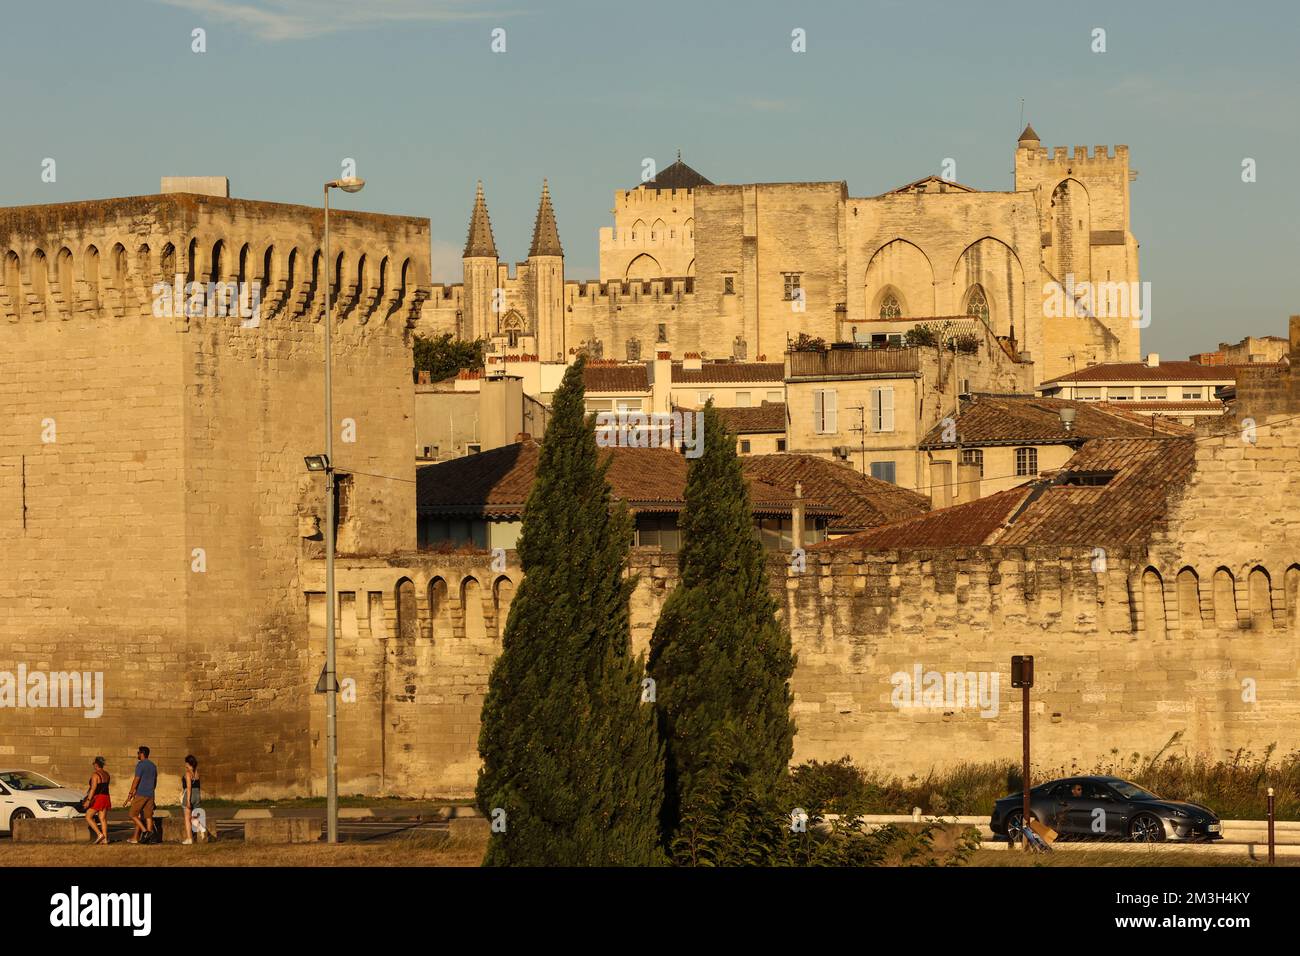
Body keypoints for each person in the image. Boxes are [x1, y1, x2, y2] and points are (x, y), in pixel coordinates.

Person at [126, 745, 159, 844]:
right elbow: (155, 781)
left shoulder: (141, 765)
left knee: (132, 814)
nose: (137, 754)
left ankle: (145, 832)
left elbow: (136, 779)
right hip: (150, 794)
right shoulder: (153, 766)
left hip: (141, 793)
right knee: (148, 816)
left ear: (142, 754)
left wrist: (131, 792)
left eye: (138, 753)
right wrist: (151, 789)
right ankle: (150, 838)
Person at [83, 757, 111, 845]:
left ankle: (99, 834)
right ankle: (105, 839)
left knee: (88, 816)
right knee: (102, 818)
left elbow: (93, 788)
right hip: (106, 797)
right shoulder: (107, 774)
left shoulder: (95, 775)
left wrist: (88, 800)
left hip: (98, 798)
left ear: (96, 764)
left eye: (94, 764)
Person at [181, 755, 203, 845]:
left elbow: (189, 787)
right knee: (194, 817)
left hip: (189, 795)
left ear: (188, 763)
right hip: (197, 795)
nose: (185, 764)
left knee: (187, 818)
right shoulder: (197, 773)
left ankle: (189, 838)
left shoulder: (188, 773)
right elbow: (198, 786)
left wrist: (188, 801)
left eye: (186, 762)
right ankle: (201, 828)